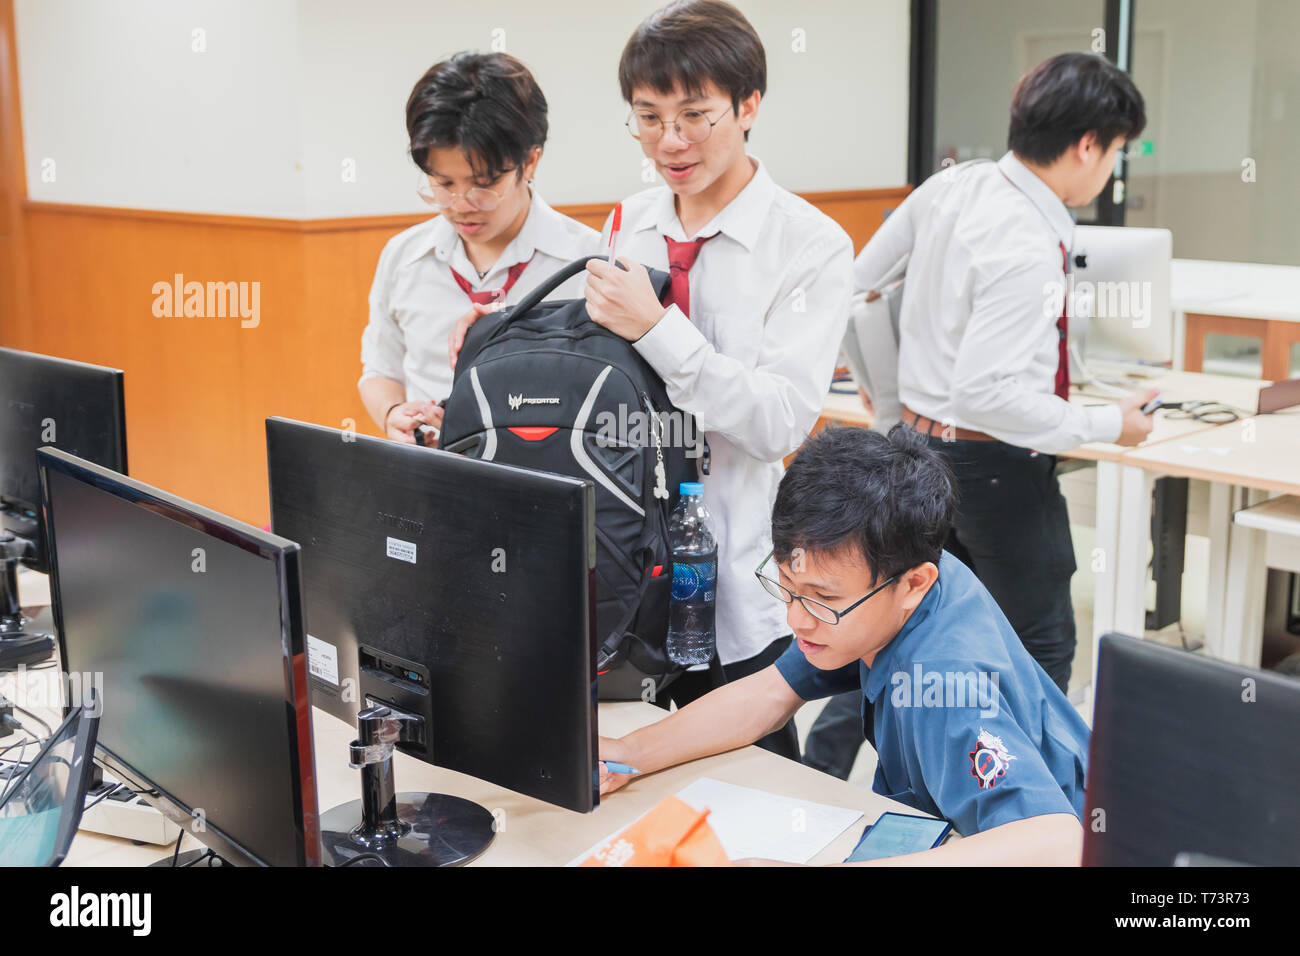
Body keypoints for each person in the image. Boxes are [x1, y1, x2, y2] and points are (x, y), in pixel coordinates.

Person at [599, 426, 1091, 866]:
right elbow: (770, 694)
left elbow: (1056, 841)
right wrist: (625, 754)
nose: (796, 618)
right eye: (789, 588)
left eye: (822, 600)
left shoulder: (943, 684)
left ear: (914, 585)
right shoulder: (889, 585)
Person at [574, 0, 853, 758]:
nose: (670, 141)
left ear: (749, 105)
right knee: (622, 772)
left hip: (732, 579)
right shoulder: (625, 222)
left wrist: (660, 329)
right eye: (648, 116)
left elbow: (776, 424)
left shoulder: (810, 245)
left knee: (755, 792)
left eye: (695, 114)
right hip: (626, 566)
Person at [849, 52, 1155, 693]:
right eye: (1115, 153)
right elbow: (986, 395)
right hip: (993, 468)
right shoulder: (1026, 244)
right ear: (1087, 145)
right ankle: (1036, 791)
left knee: (901, 630)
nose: (1108, 172)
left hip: (915, 447)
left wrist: (886, 404)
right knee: (1039, 648)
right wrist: (1108, 422)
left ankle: (868, 776)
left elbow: (857, 286)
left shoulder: (952, 185)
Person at [359, 52, 599, 446]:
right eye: (443, 183)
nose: (461, 204)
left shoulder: (587, 263)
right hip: (430, 480)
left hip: (543, 479)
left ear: (531, 161)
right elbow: (379, 370)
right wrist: (392, 414)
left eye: (483, 183)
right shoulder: (403, 256)